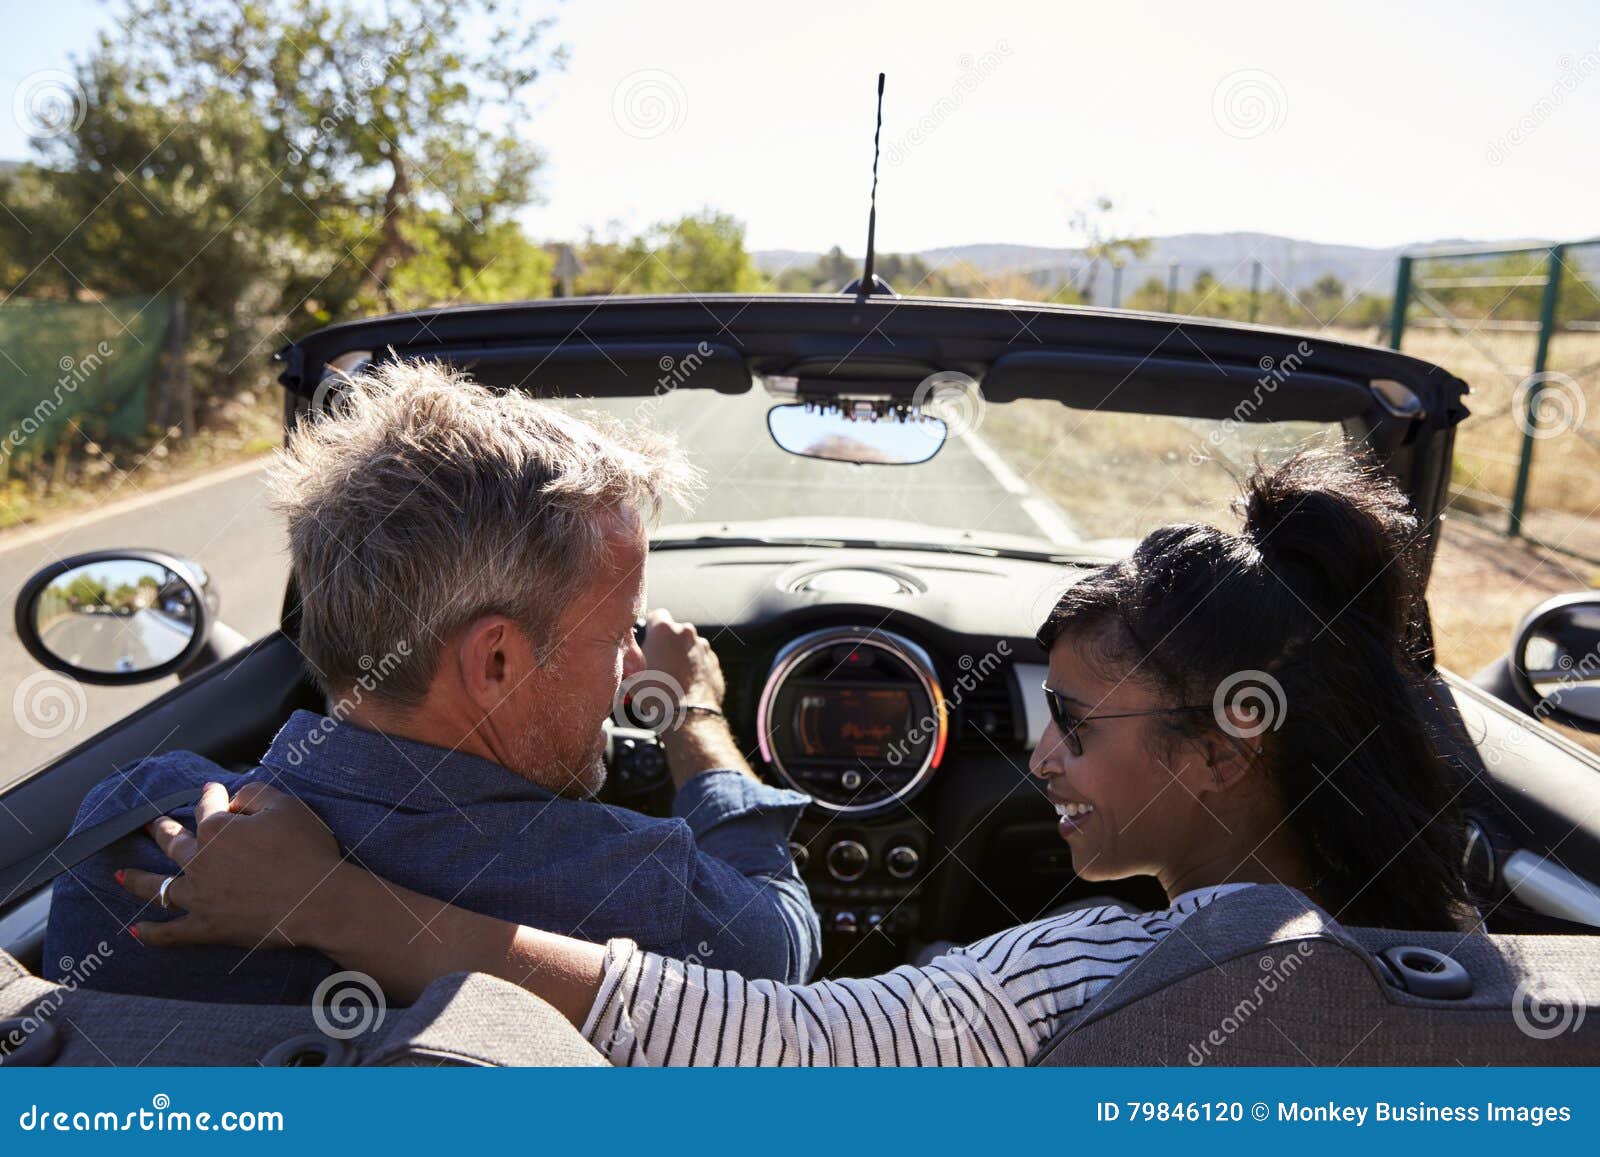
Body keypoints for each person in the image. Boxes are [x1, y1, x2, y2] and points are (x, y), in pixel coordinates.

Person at [118, 449, 1473, 1064]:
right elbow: (768, 955)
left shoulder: (1078, 973)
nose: (1040, 757)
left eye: (1074, 720)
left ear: (1228, 747)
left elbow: (764, 1036)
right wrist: (701, 740)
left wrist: (339, 903)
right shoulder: (1463, 970)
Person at [46, 362, 820, 1000]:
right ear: (495, 663)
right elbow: (781, 948)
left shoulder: (140, 825)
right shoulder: (640, 889)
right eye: (621, 633)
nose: (632, 667)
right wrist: (694, 714)